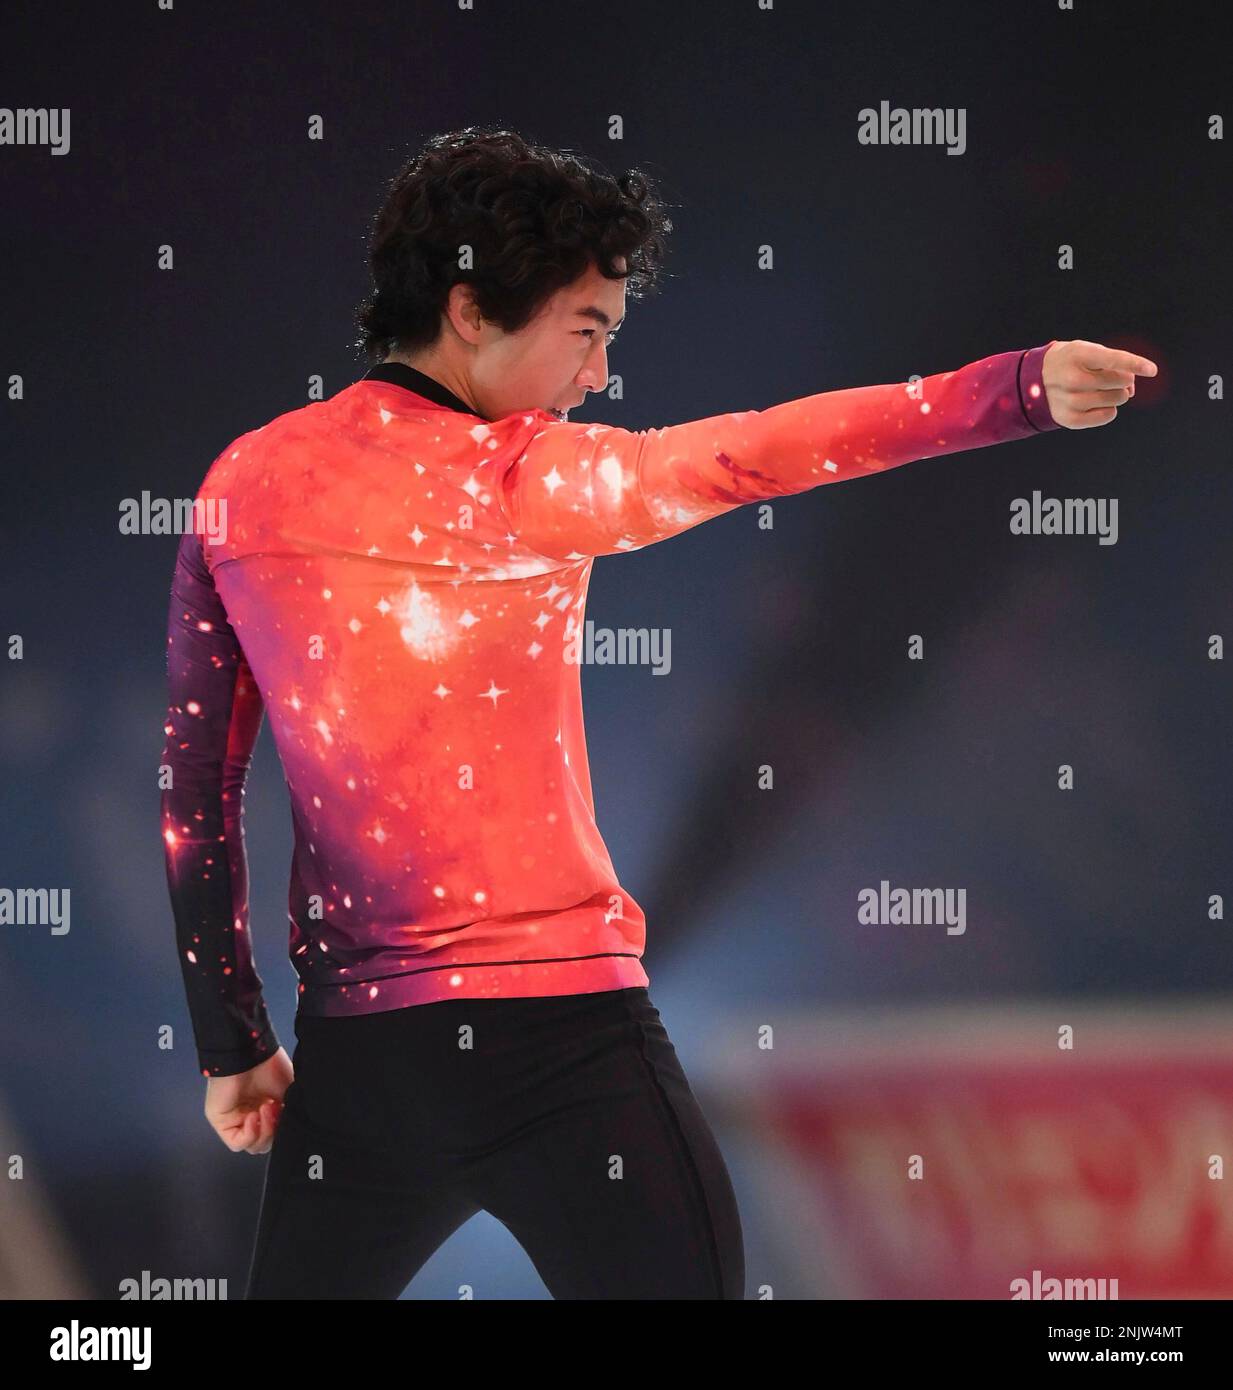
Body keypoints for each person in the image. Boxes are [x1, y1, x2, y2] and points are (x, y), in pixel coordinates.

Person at [160, 125, 1157, 1300]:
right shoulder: (528, 480)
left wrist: (232, 1041)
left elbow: (193, 795)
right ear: (472, 309)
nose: (595, 379)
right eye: (587, 334)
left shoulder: (241, 486)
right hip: (567, 1050)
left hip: (365, 1062)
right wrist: (1016, 392)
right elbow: (758, 456)